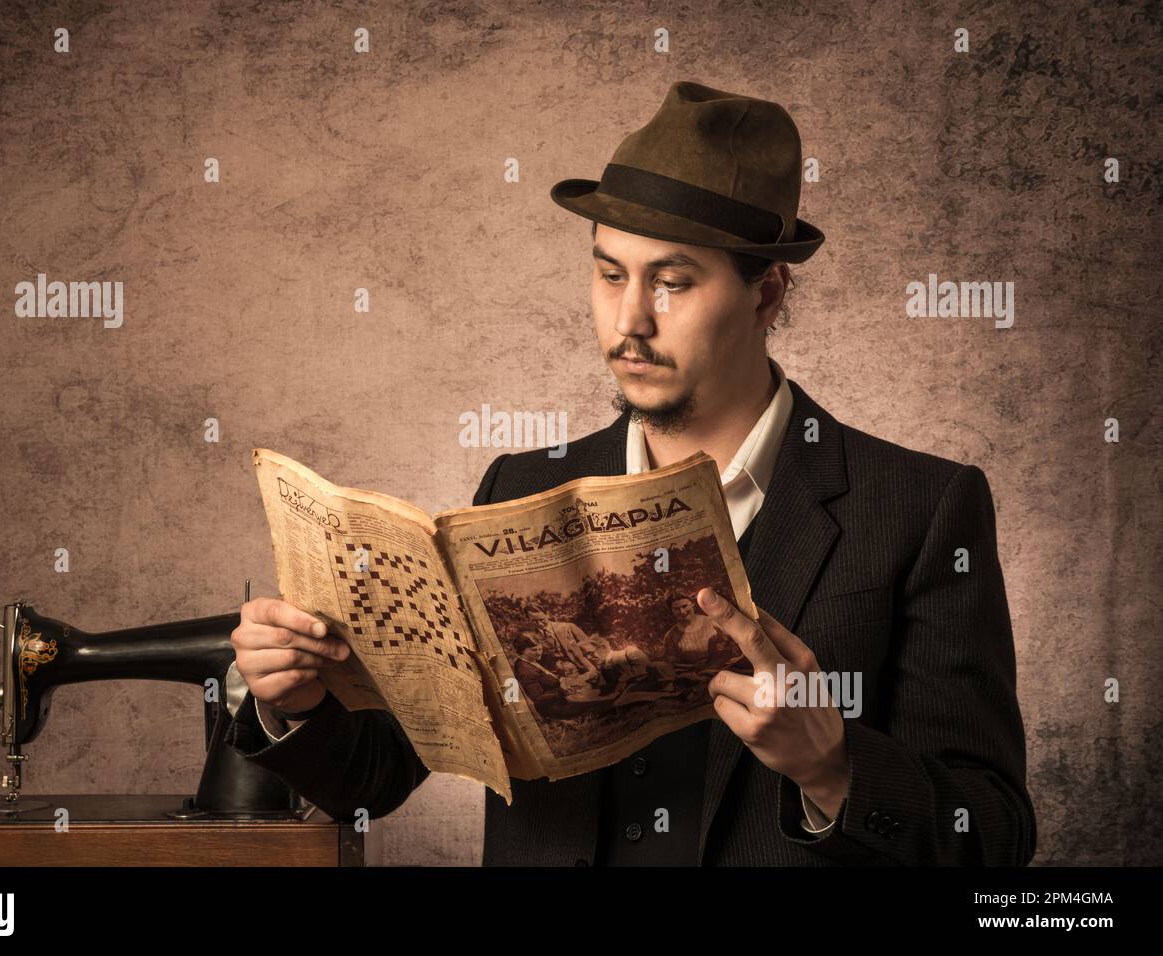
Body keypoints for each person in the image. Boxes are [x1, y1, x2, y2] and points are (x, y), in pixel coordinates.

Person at [223, 81, 1036, 866]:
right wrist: (289, 703)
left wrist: (833, 766)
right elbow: (380, 775)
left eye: (672, 282)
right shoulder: (516, 488)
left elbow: (992, 835)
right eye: (610, 274)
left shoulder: (921, 509)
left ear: (766, 294)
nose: (629, 320)